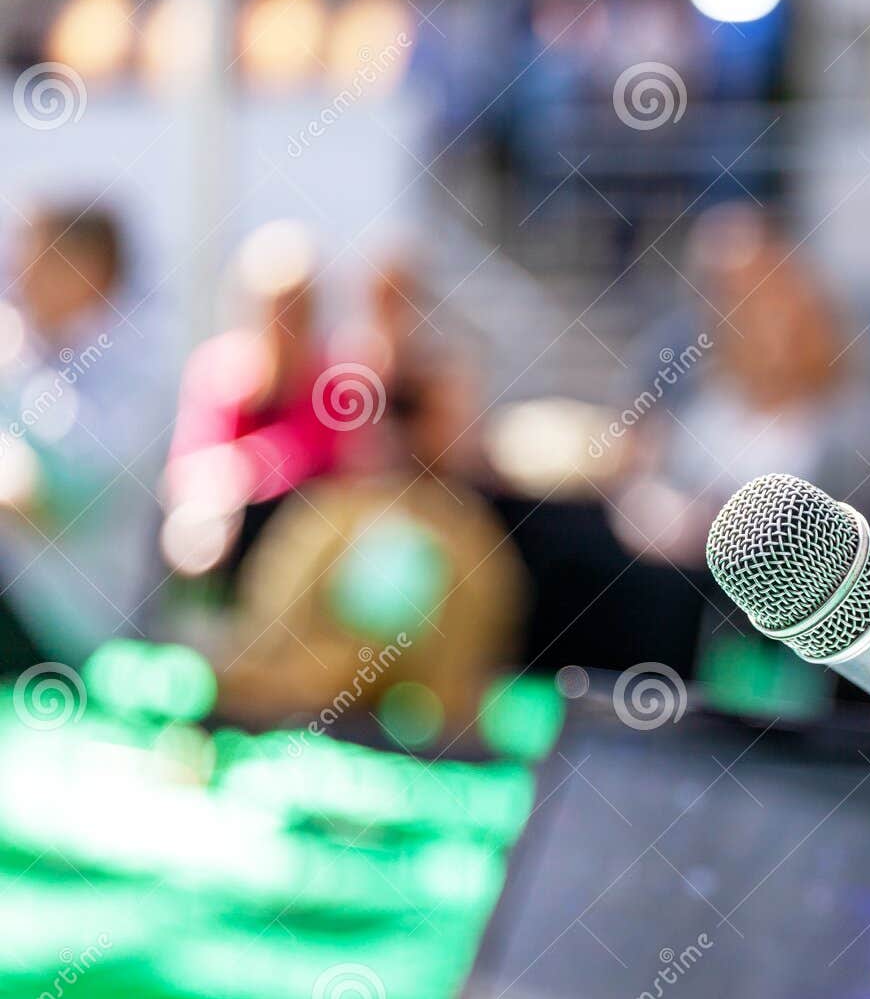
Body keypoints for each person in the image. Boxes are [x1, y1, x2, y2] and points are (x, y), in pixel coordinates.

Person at [220, 359, 526, 731]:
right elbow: (276, 639)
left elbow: (468, 657)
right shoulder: (332, 519)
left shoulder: (462, 531)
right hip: (315, 719)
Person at [609, 205, 870, 564]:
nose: (752, 323)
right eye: (726, 297)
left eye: (765, 300)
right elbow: (641, 475)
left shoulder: (856, 428)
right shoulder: (702, 412)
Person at [0, 202, 164, 667]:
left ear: (86, 269)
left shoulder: (141, 364)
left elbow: (66, 492)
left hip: (72, 625)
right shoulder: (37, 352)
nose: (19, 279)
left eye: (33, 260)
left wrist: (15, 369)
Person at [161, 220, 356, 581]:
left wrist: (244, 466)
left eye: (297, 312)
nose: (283, 325)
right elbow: (189, 461)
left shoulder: (335, 383)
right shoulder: (218, 371)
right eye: (275, 311)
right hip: (230, 534)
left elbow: (315, 457)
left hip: (312, 548)